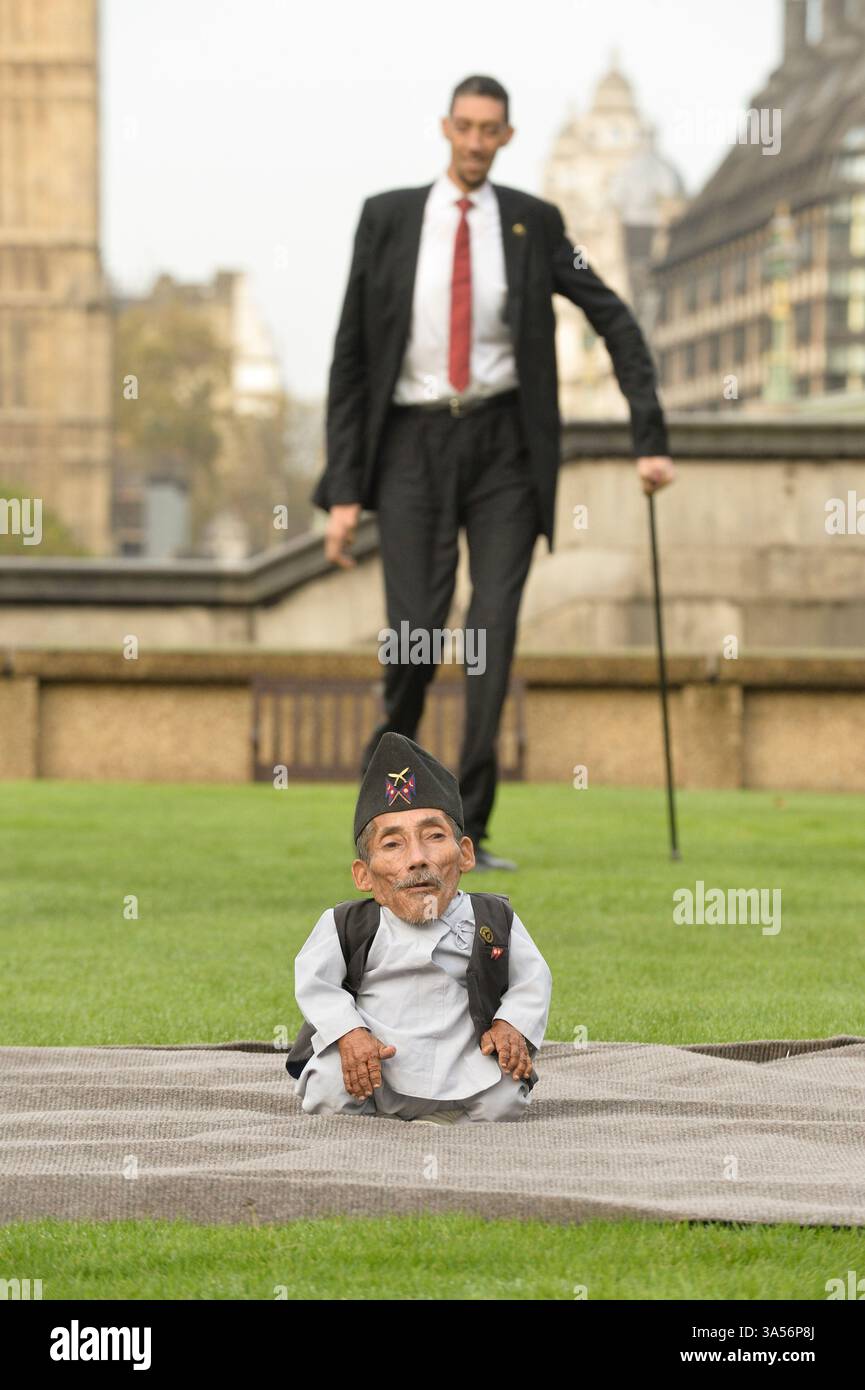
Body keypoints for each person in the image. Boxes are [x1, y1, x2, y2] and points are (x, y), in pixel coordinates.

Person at [312, 73, 676, 870]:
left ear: (506, 138)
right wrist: (342, 491)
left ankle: (464, 830)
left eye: (491, 131)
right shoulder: (387, 218)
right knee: (414, 630)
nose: (476, 142)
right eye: (465, 127)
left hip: (505, 445)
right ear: (446, 128)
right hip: (410, 442)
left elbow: (610, 313)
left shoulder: (534, 223)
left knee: (491, 628)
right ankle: (393, 812)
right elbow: (349, 355)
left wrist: (647, 436)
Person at [290, 732, 552, 1125]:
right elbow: (316, 985)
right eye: (393, 845)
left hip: (463, 1060)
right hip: (376, 1064)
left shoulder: (493, 920)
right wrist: (349, 1034)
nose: (417, 859)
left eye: (433, 837)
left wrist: (509, 1024)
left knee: (504, 1098)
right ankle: (379, 1110)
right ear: (364, 875)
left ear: (465, 854)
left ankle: (450, 1115)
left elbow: (532, 980)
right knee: (328, 1088)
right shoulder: (348, 925)